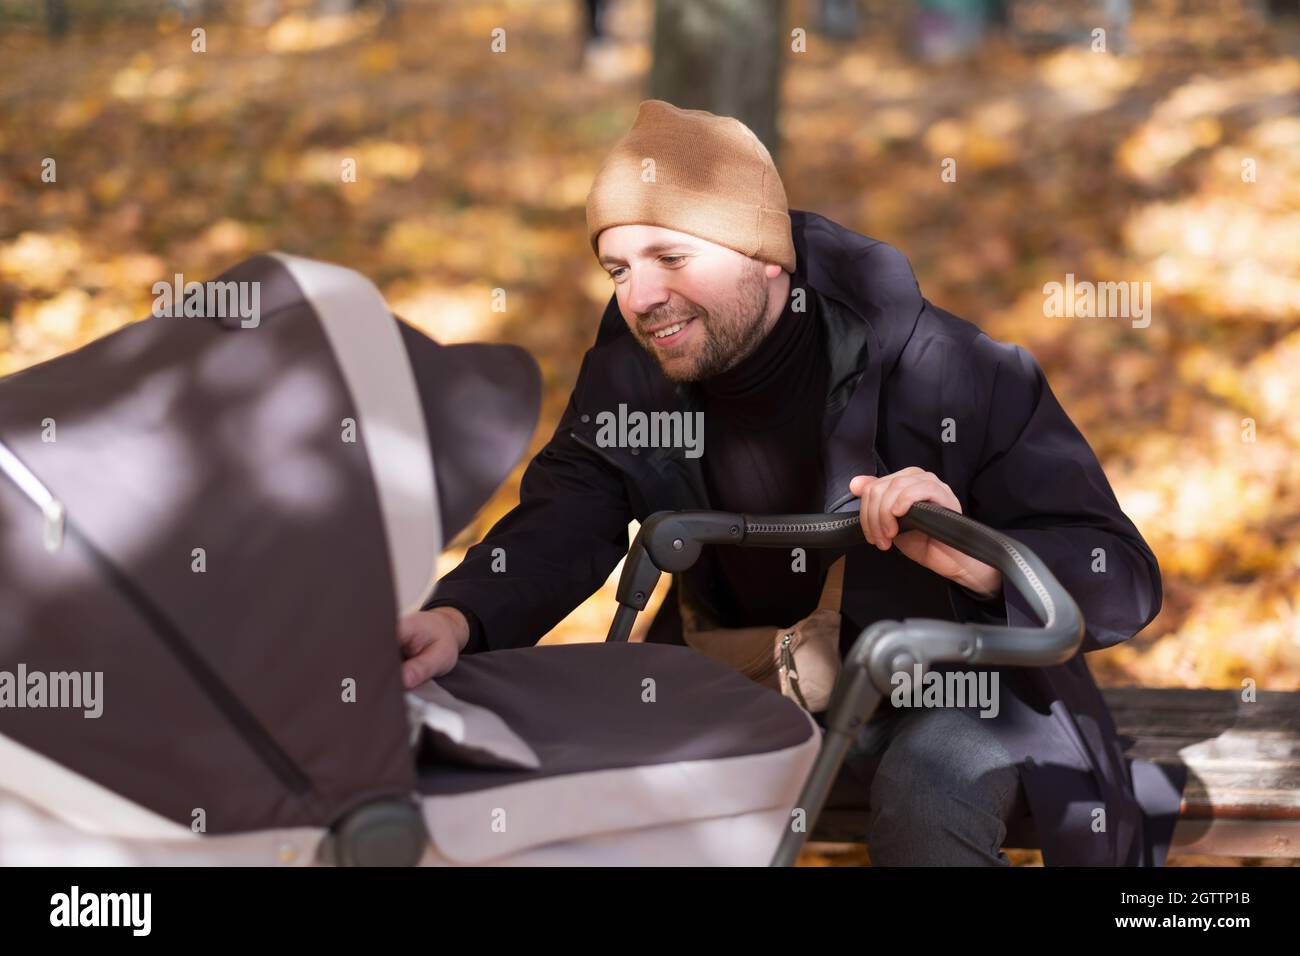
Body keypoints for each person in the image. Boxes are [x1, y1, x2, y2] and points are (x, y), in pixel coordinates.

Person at [397, 99, 1179, 866]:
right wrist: (460, 618)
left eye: (671, 258)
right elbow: (565, 515)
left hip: (948, 685)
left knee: (926, 799)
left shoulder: (948, 372)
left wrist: (976, 559)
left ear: (765, 255)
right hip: (743, 674)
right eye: (618, 269)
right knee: (599, 790)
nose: (641, 298)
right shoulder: (633, 373)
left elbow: (1123, 576)